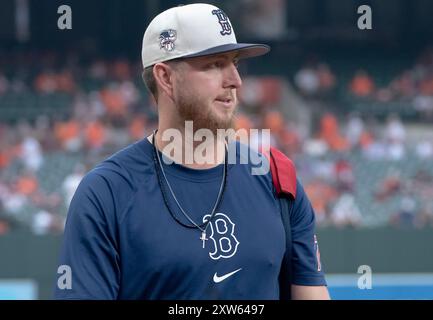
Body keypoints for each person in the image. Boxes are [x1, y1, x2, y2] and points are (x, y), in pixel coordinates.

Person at [54, 3, 329, 300]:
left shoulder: (277, 180)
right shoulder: (106, 192)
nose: (235, 80)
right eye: (214, 64)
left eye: (235, 62)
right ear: (166, 77)